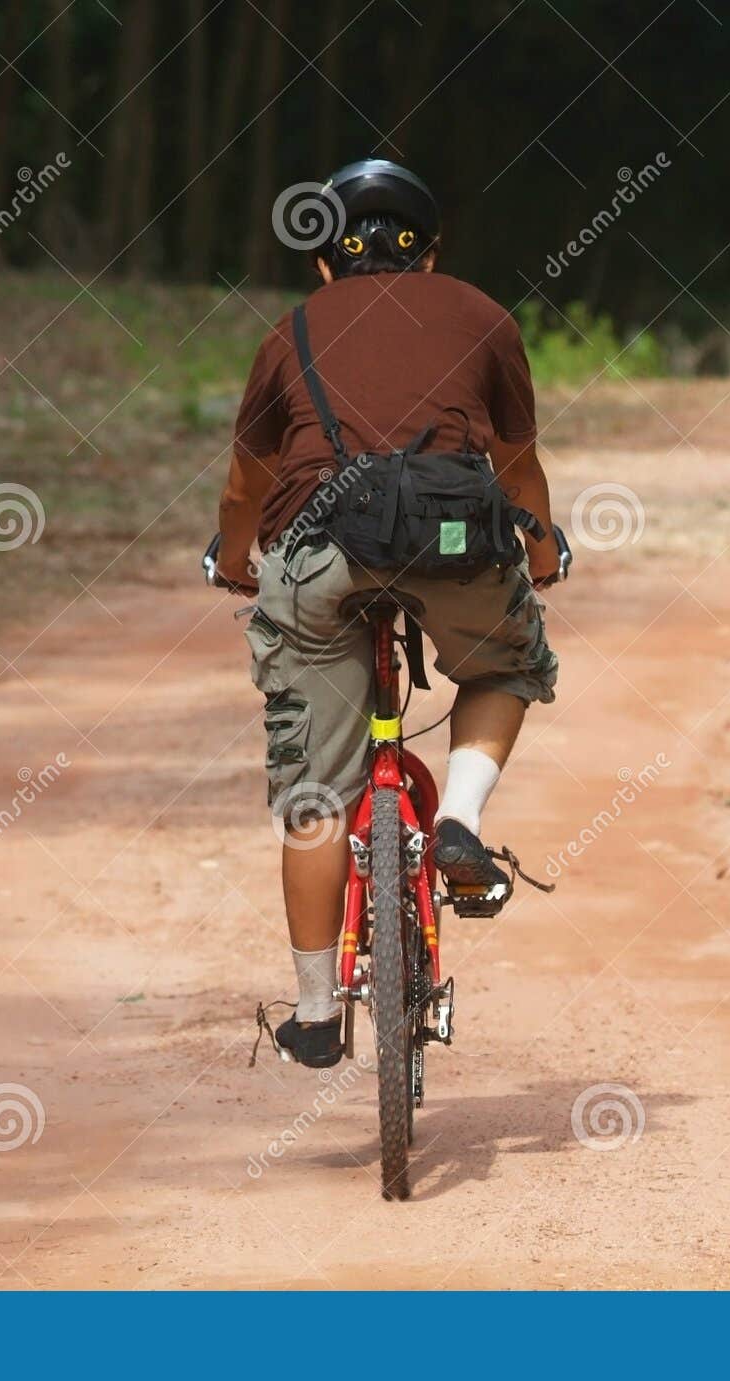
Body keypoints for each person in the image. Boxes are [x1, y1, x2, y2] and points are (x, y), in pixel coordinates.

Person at [214, 159, 560, 1069]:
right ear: (432, 256)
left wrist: (231, 553)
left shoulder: (289, 332)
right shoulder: (483, 316)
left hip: (319, 553)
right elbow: (518, 465)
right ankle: (462, 824)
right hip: (454, 543)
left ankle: (318, 1011)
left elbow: (249, 477)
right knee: (505, 664)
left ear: (325, 262)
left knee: (317, 800)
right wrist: (544, 544)